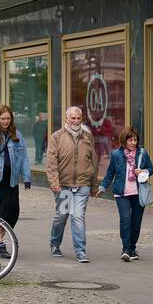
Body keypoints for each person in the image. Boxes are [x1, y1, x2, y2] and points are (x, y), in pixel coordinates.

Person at [45, 105, 99, 263]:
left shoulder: (87, 137)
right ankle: (55, 244)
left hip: (82, 184)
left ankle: (80, 251)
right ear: (66, 119)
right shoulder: (57, 137)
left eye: (78, 118)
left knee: (78, 216)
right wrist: (54, 182)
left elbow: (93, 162)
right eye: (73, 118)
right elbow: (51, 163)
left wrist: (94, 185)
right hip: (63, 185)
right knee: (62, 215)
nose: (76, 121)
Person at [0, 105, 32, 257]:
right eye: (3, 119)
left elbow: (23, 157)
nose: (6, 121)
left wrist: (27, 177)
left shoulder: (17, 135)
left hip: (11, 179)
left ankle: (0, 237)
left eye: (8, 119)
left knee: (12, 212)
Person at [99, 126, 153, 262]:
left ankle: (132, 249)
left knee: (136, 223)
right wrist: (103, 187)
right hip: (122, 193)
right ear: (124, 141)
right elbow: (110, 173)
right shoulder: (117, 155)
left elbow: (151, 169)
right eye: (130, 140)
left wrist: (142, 171)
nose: (133, 143)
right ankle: (125, 249)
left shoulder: (142, 153)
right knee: (125, 220)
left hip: (138, 193)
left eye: (135, 140)